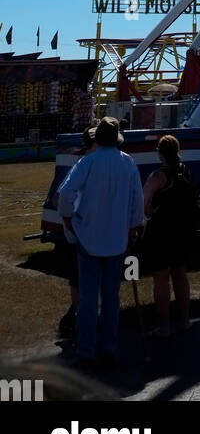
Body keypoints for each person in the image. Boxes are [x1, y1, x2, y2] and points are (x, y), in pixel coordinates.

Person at [56, 116, 145, 370]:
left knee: (87, 298)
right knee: (111, 297)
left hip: (89, 238)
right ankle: (109, 348)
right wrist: (135, 227)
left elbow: (65, 193)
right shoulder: (127, 163)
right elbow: (136, 200)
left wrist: (68, 218)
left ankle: (86, 350)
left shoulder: (88, 162)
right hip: (117, 240)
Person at [140, 135, 197, 338]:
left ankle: (163, 326)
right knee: (180, 275)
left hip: (161, 233)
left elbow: (143, 202)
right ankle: (184, 320)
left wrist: (147, 213)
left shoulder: (157, 176)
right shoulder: (185, 171)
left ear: (160, 152)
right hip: (181, 231)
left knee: (161, 279)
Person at [56, 126, 96, 340]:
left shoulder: (81, 164)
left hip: (83, 234)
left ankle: (80, 320)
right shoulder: (84, 165)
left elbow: (61, 197)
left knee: (81, 281)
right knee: (84, 281)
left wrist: (68, 220)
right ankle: (81, 319)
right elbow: (61, 197)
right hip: (92, 234)